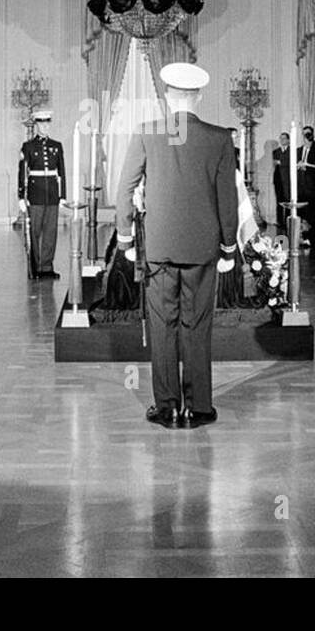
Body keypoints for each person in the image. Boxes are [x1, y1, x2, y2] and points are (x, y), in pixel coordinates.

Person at [116, 63, 239, 429]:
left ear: (167, 96)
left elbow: (125, 189)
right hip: (203, 249)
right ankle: (199, 406)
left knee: (163, 325)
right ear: (198, 96)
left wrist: (125, 238)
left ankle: (167, 407)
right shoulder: (219, 138)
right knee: (197, 326)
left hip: (158, 248)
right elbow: (227, 199)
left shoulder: (147, 133)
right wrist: (229, 247)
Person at [17, 110, 68, 279]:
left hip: (52, 195)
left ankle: (47, 267)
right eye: (42, 123)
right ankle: (35, 267)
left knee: (50, 232)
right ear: (37, 125)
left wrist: (62, 196)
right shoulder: (28, 146)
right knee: (34, 232)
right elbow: (22, 173)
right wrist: (21, 197)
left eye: (47, 123)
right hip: (35, 195)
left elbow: (62, 172)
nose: (45, 126)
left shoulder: (57, 145)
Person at [295, 125, 315, 247]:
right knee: (300, 212)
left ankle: (310, 237)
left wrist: (307, 165)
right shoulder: (298, 150)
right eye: (304, 134)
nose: (306, 137)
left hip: (312, 186)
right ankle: (300, 236)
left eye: (308, 134)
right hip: (300, 185)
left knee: (311, 212)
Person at [272, 132, 291, 230]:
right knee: (279, 201)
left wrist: (281, 162)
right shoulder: (276, 151)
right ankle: (280, 222)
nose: (282, 140)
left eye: (284, 138)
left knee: (288, 200)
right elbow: (276, 162)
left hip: (288, 179)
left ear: (288, 140)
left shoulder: (293, 151)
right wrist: (283, 162)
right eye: (281, 138)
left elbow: (288, 162)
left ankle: (288, 221)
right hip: (278, 178)